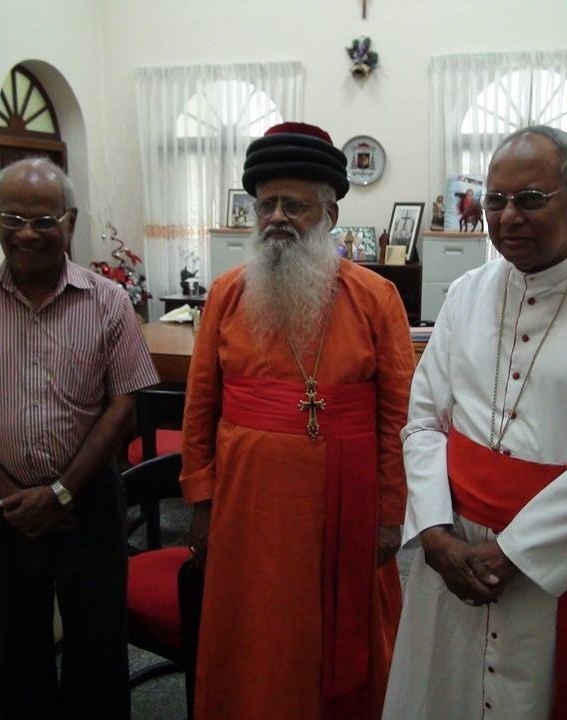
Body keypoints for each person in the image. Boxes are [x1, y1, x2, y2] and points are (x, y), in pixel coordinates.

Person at [382, 126, 567, 720]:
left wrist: (514, 554)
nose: (508, 217)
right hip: (456, 550)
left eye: (531, 199)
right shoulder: (467, 294)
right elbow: (422, 424)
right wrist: (435, 534)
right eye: (495, 200)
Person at [180, 122, 414, 720]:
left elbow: (398, 420)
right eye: (266, 205)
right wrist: (201, 504)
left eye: (295, 205)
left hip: (346, 503)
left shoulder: (376, 297)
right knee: (255, 635)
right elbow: (200, 406)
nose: (277, 217)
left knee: (341, 641)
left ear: (330, 213)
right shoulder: (228, 294)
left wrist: (392, 514)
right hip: (247, 505)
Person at [0, 157, 159, 720]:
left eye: (44, 220)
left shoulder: (108, 302)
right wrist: (15, 499)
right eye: (13, 217)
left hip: (89, 506)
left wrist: (62, 494)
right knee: (15, 656)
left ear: (69, 221)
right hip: (2, 513)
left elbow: (124, 407)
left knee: (98, 656)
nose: (27, 232)